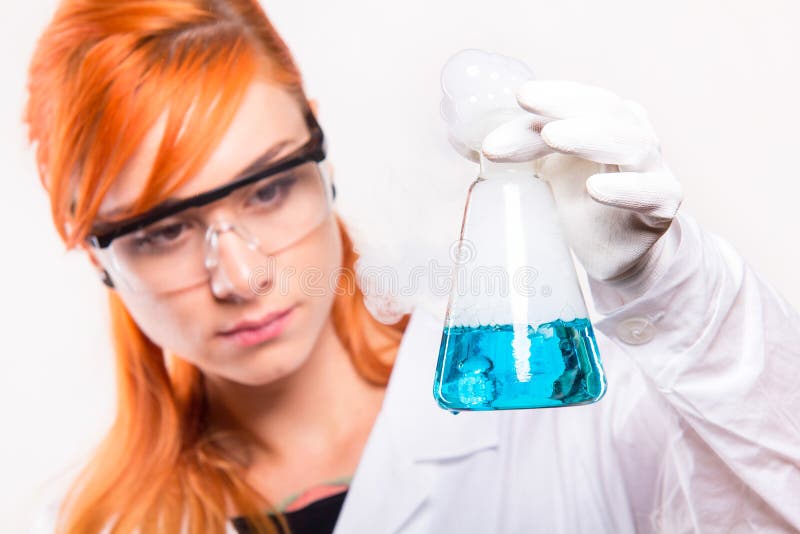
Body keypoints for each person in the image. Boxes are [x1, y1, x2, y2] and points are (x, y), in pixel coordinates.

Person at [24, 1, 799, 533]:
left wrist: (673, 289)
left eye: (266, 187)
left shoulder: (557, 402)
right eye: (161, 230)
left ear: (319, 157)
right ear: (90, 252)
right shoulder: (110, 523)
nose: (241, 276)